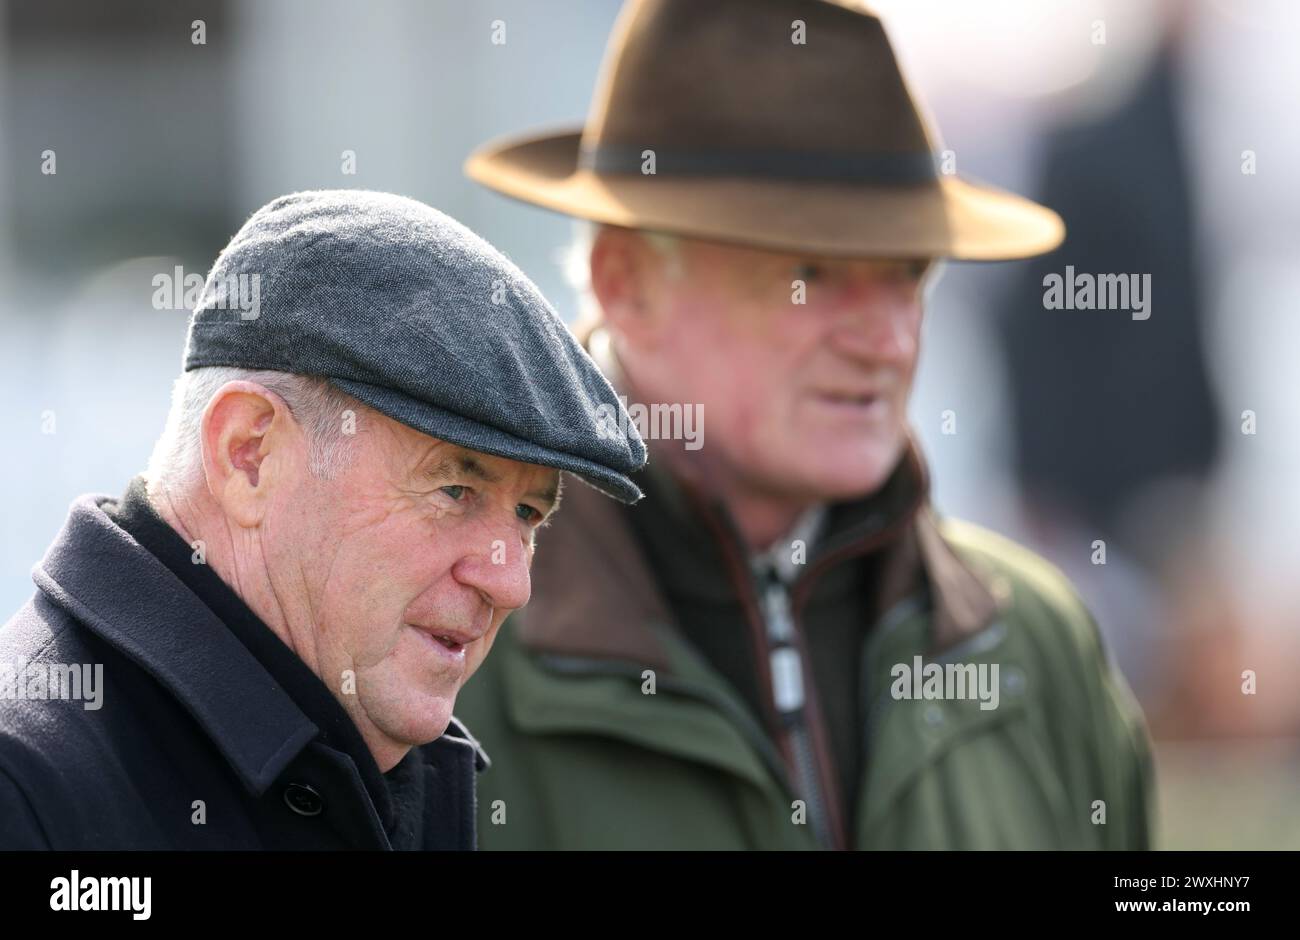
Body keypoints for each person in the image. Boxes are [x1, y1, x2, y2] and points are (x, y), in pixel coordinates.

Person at [457, 0, 1155, 849]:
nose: (888, 341)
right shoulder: (448, 646)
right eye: (811, 273)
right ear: (626, 281)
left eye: (907, 273)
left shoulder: (1037, 648)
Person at [0, 189, 645, 849]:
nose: (510, 584)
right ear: (248, 454)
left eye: (528, 514)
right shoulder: (26, 790)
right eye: (455, 490)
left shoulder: (372, 760)